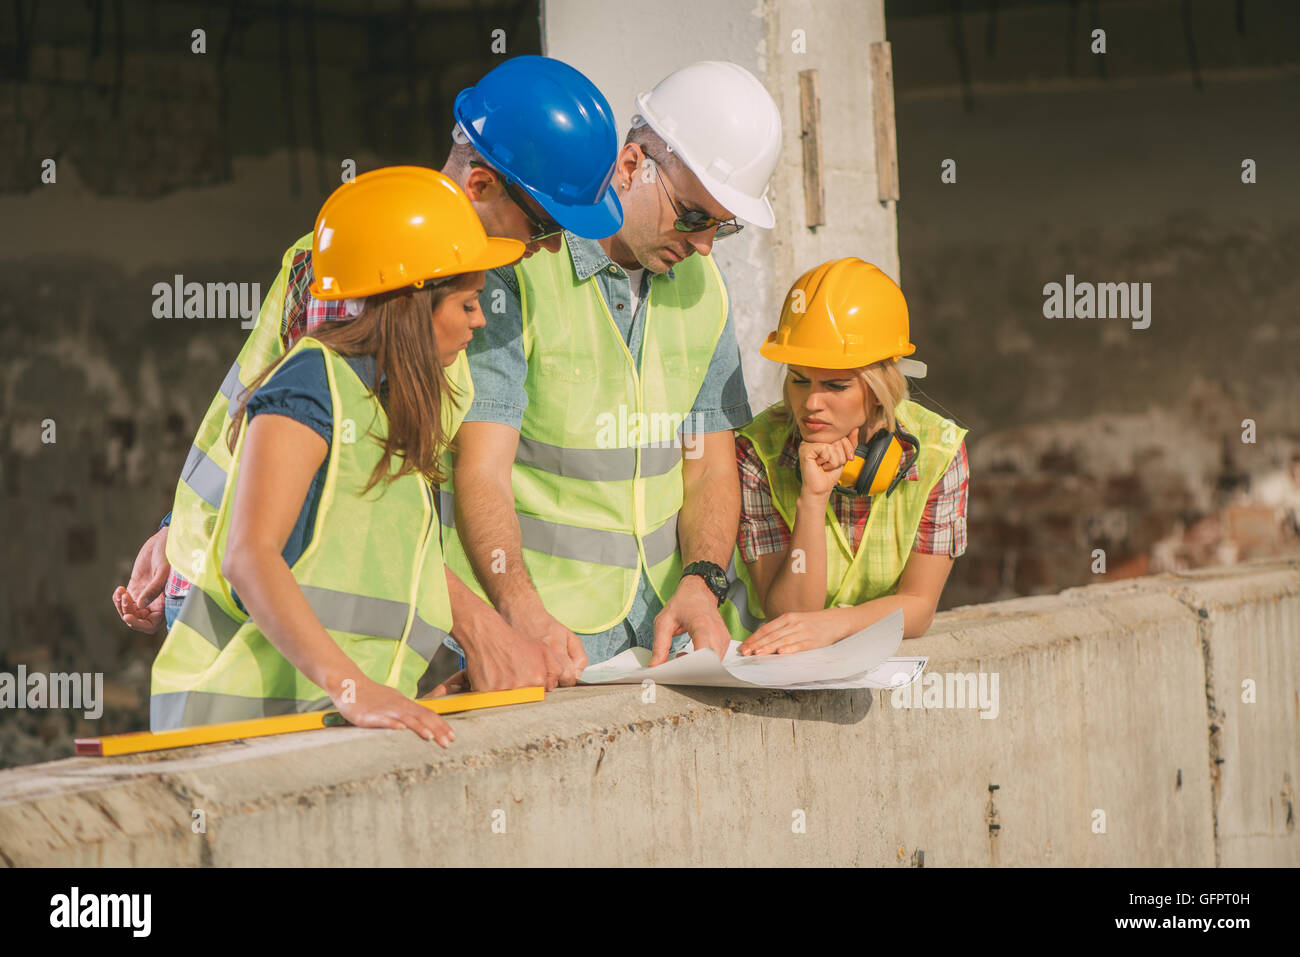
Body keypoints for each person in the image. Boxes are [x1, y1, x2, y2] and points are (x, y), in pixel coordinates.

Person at [114, 56, 623, 692]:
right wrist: (481, 627)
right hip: (247, 600)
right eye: (545, 225)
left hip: (291, 590)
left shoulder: (446, 275)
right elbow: (341, 486)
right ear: (482, 184)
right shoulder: (369, 270)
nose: (549, 248)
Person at [438, 61, 783, 683]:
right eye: (694, 216)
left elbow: (709, 463)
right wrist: (519, 610)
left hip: (666, 636)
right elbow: (481, 468)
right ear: (631, 165)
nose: (704, 244)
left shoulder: (705, 288)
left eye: (722, 227)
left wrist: (702, 580)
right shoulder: (517, 262)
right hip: (543, 638)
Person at [150, 167, 524, 739]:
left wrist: (390, 687)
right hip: (238, 731)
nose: (479, 321)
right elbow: (249, 557)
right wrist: (355, 689)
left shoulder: (388, 409)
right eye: (468, 303)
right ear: (414, 302)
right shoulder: (311, 383)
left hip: (314, 725)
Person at [718, 257, 971, 654]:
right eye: (799, 380)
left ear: (880, 388)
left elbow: (919, 607)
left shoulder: (940, 450)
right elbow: (788, 614)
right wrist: (812, 501)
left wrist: (834, 626)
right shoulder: (756, 451)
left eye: (836, 385)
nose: (811, 403)